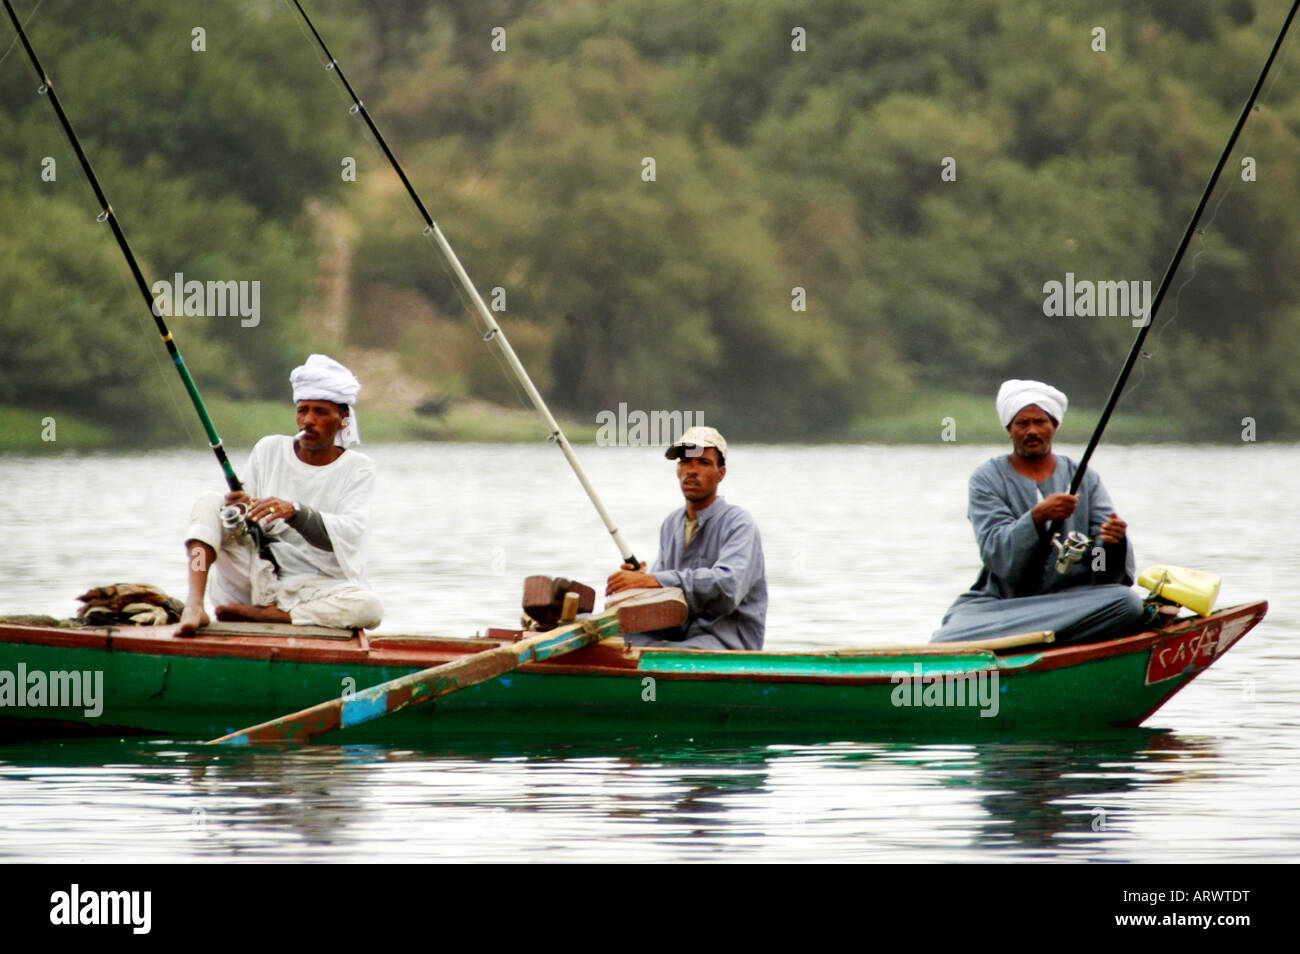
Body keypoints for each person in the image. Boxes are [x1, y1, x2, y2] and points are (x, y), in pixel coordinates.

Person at [177, 354, 383, 635]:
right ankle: (194, 603)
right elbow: (247, 521)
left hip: (315, 587)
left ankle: (277, 616)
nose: (308, 420)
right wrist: (241, 510)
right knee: (209, 502)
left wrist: (295, 512)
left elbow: (350, 533)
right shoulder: (269, 449)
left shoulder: (358, 468)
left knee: (369, 606)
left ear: (343, 419)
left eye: (321, 412)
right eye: (303, 410)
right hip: (255, 575)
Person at [932, 379, 1145, 645]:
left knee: (1126, 603)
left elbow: (1103, 571)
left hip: (1072, 603)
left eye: (1040, 422)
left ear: (1054, 426)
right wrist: (1037, 517)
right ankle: (1050, 635)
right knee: (950, 635)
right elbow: (999, 557)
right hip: (1006, 605)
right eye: (1022, 424)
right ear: (1009, 429)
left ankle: (1035, 636)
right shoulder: (987, 479)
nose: (1031, 431)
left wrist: (1113, 544)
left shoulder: (1084, 479)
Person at [606, 425, 766, 650]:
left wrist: (655, 581)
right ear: (678, 470)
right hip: (676, 638)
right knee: (604, 638)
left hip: (724, 642)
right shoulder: (671, 524)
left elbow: (727, 588)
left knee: (650, 653)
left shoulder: (739, 523)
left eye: (703, 463)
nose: (692, 470)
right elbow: (665, 596)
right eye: (685, 462)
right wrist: (638, 585)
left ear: (721, 474)